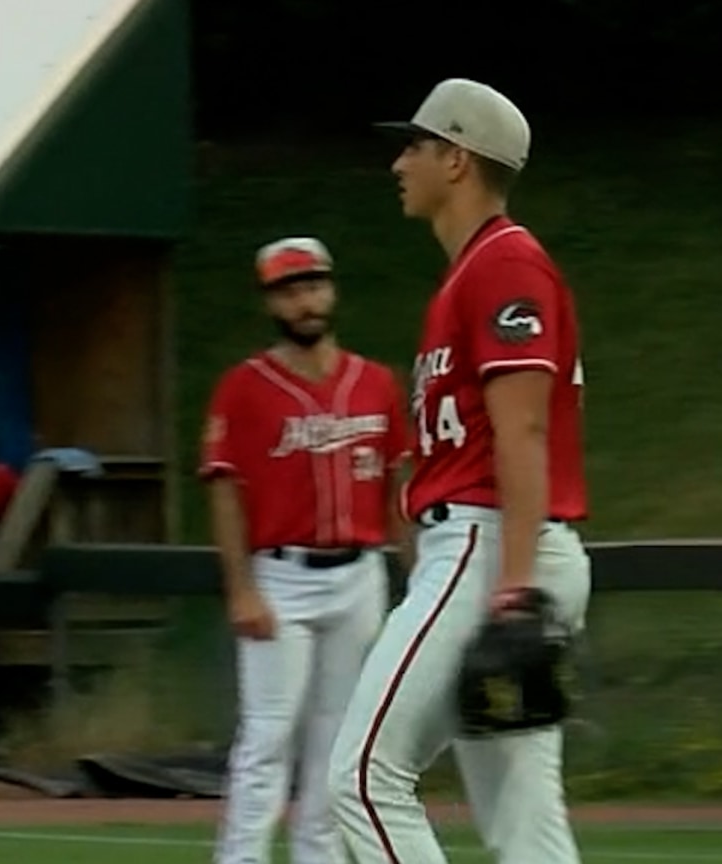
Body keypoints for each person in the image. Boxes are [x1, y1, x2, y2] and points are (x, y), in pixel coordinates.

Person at [327, 78, 592, 863]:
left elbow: (525, 432)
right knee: (525, 822)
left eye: (414, 144)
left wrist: (511, 591)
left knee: (365, 779)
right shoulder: (471, 274)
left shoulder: (507, 266)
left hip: (490, 549)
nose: (398, 162)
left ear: (458, 159)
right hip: (485, 547)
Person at [203, 236, 412, 864]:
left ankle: (318, 858)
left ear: (332, 290)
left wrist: (419, 579)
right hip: (282, 576)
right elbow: (224, 492)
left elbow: (398, 488)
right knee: (269, 734)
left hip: (359, 573)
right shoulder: (243, 388)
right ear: (271, 302)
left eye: (314, 285)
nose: (306, 300)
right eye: (291, 291)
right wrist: (241, 588)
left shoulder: (376, 383)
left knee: (336, 737)